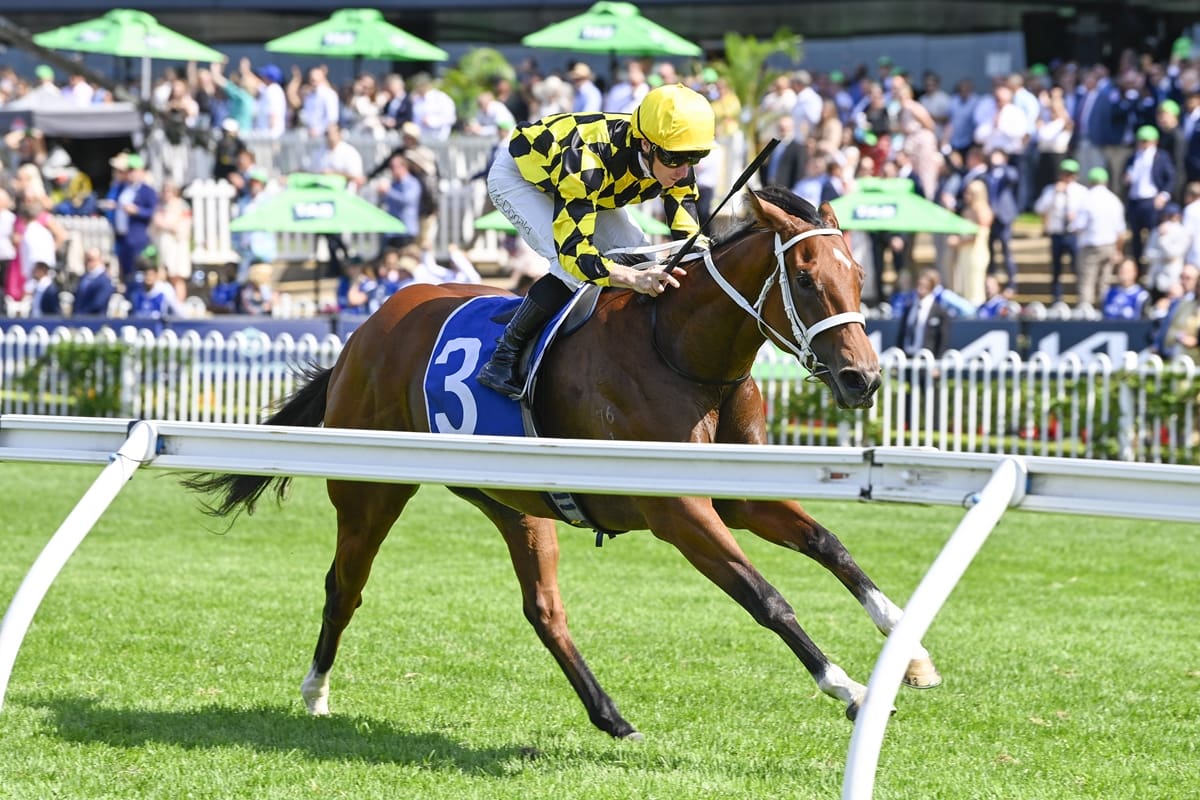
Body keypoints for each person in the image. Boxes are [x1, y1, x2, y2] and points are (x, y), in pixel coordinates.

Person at [476, 83, 715, 399]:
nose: (683, 171)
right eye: (674, 159)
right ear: (646, 144)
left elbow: (690, 240)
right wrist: (632, 278)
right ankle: (503, 357)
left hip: (590, 189)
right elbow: (575, 255)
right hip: (523, 179)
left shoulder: (675, 159)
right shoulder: (587, 161)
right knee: (572, 272)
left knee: (644, 258)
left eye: (695, 157)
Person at [1032, 158, 1087, 303]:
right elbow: (1039, 208)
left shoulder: (1081, 191)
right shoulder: (1050, 190)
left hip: (1074, 234)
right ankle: (1056, 298)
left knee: (1077, 267)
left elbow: (1087, 213)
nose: (1067, 177)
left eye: (1070, 174)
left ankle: (1081, 297)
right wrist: (1054, 194)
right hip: (1057, 233)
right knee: (1056, 269)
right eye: (1065, 173)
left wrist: (1077, 217)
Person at [100, 152, 158, 288]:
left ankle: (136, 294)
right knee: (124, 271)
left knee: (137, 271)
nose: (129, 173)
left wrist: (137, 211)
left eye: (132, 170)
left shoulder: (147, 190)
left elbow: (153, 211)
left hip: (137, 237)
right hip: (122, 236)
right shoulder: (122, 187)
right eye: (128, 170)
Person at [1121, 125, 1177, 267]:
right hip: (1135, 200)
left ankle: (1152, 266)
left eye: (1146, 141)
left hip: (1151, 200)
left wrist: (1164, 195)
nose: (1142, 144)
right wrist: (1126, 179)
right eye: (1141, 140)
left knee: (1153, 234)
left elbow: (1170, 178)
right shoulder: (1133, 157)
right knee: (1135, 236)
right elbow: (1126, 177)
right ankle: (1137, 268)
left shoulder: (1161, 157)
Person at [1073, 167, 1127, 309]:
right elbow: (1121, 231)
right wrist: (1118, 250)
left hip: (1091, 246)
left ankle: (1085, 312)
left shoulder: (1087, 199)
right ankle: (1105, 310)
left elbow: (1078, 226)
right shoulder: (1114, 200)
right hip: (1110, 245)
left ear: (1090, 182)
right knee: (1105, 282)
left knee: (1087, 281)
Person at [150, 180, 193, 302]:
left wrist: (166, 225)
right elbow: (154, 226)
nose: (166, 194)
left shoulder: (182, 206)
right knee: (162, 276)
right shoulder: (160, 206)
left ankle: (178, 305)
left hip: (177, 246)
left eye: (169, 191)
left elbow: (183, 228)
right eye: (164, 191)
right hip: (163, 246)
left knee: (176, 277)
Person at [73, 247, 116, 315]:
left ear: (99, 260)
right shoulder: (84, 277)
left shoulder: (105, 280)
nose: (87, 262)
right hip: (79, 317)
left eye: (91, 259)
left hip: (95, 318)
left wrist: (82, 313)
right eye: (86, 259)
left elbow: (98, 303)